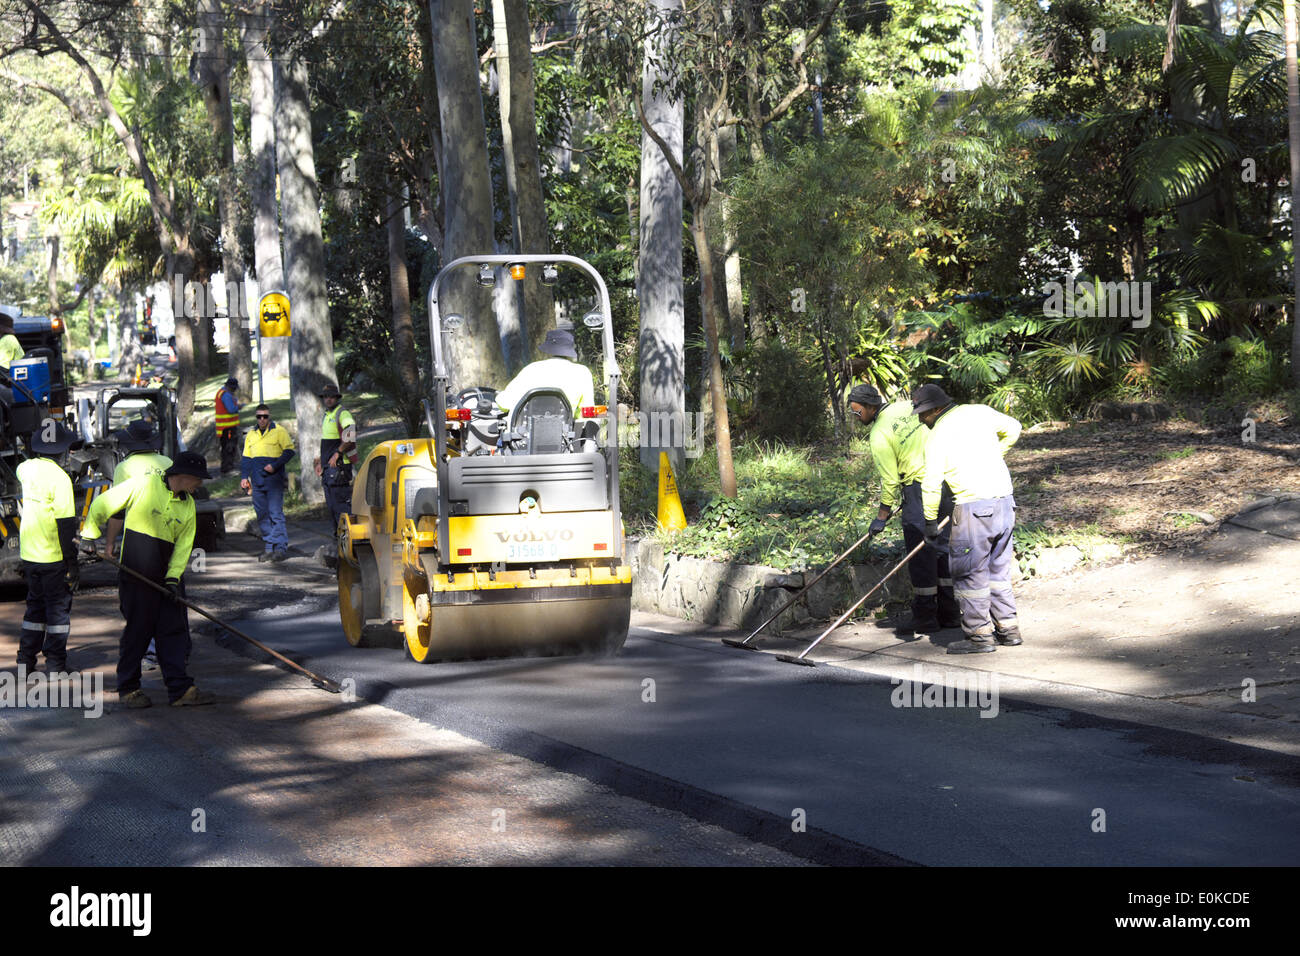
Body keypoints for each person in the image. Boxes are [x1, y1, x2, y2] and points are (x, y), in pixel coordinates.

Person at [81, 450, 216, 707]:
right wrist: (89, 534)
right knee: (138, 632)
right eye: (198, 479)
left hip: (165, 578)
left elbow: (184, 546)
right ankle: (129, 689)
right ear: (185, 476)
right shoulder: (143, 484)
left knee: (173, 630)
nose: (200, 484)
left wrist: (174, 579)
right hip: (136, 573)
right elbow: (102, 504)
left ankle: (180, 690)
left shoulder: (187, 504)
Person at [913, 383, 1023, 655]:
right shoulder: (980, 411)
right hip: (1004, 504)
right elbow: (1014, 428)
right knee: (998, 571)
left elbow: (931, 482)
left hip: (973, 509)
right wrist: (998, 453)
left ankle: (979, 637)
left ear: (937, 409)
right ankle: (1008, 630)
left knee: (969, 573)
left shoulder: (939, 433)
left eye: (923, 414)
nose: (921, 420)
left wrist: (928, 521)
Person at [848, 383, 959, 636]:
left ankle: (926, 619)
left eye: (857, 412)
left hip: (918, 489)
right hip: (945, 483)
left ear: (870, 406)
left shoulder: (878, 434)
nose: (856, 418)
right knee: (943, 548)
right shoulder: (909, 407)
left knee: (920, 556)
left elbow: (890, 481)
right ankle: (950, 613)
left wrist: (881, 516)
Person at [15, 423, 80, 674]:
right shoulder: (61, 479)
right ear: (62, 449)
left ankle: (25, 662)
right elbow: (65, 525)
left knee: (35, 607)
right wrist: (72, 562)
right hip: (53, 556)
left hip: (29, 554)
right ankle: (55, 665)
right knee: (57, 612)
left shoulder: (25, 469)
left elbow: (23, 468)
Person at [494, 328, 595, 420]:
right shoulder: (582, 372)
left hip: (526, 437)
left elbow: (505, 404)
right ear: (570, 349)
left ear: (548, 349)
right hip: (565, 437)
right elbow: (586, 411)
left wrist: (498, 396)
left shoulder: (532, 369)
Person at [241, 403, 295, 562]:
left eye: (265, 416)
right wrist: (244, 477)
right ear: (256, 417)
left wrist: (275, 465)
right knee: (262, 515)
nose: (262, 419)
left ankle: (280, 548)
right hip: (257, 481)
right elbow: (246, 458)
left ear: (269, 416)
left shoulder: (279, 431)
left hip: (274, 481)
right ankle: (269, 547)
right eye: (259, 416)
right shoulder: (251, 434)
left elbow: (290, 451)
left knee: (275, 513)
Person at [314, 384, 358, 533]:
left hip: (339, 468)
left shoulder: (342, 414)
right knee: (332, 509)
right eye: (326, 396)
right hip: (328, 469)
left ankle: (349, 545)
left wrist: (338, 453)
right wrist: (320, 461)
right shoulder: (327, 415)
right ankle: (338, 544)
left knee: (342, 509)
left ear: (337, 398)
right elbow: (327, 442)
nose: (328, 399)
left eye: (331, 396)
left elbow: (351, 434)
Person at [214, 377, 241, 474]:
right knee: (229, 447)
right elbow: (231, 409)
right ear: (229, 387)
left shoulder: (221, 393)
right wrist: (239, 407)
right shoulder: (226, 395)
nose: (234, 390)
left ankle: (226, 467)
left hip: (223, 427)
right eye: (233, 388)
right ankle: (228, 468)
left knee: (225, 447)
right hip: (228, 427)